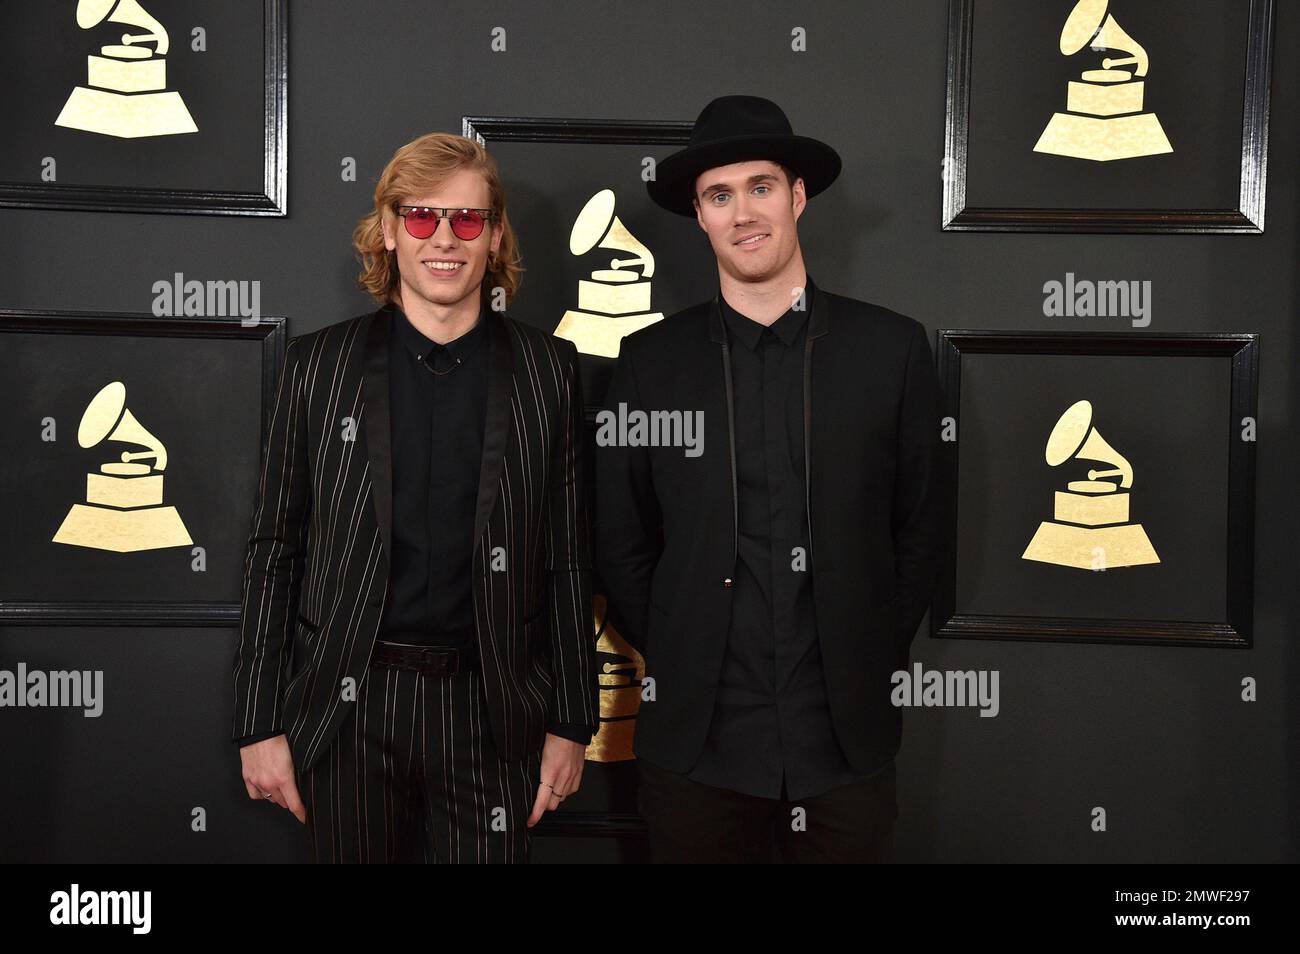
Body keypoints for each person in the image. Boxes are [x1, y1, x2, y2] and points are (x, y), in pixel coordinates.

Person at [596, 95, 948, 862]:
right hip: (696, 744)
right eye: (719, 195)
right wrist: (683, 643)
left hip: (846, 743)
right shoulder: (650, 361)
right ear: (698, 214)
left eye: (760, 187)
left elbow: (922, 529)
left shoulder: (891, 351)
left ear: (797, 195)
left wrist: (868, 643)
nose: (742, 212)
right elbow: (619, 538)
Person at [232, 132, 598, 863]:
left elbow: (567, 556)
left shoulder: (548, 369)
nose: (444, 239)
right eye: (422, 217)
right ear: (390, 229)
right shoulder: (316, 367)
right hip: (348, 704)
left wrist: (571, 723)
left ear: (494, 236)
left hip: (492, 709)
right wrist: (257, 723)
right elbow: (275, 549)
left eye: (467, 220)